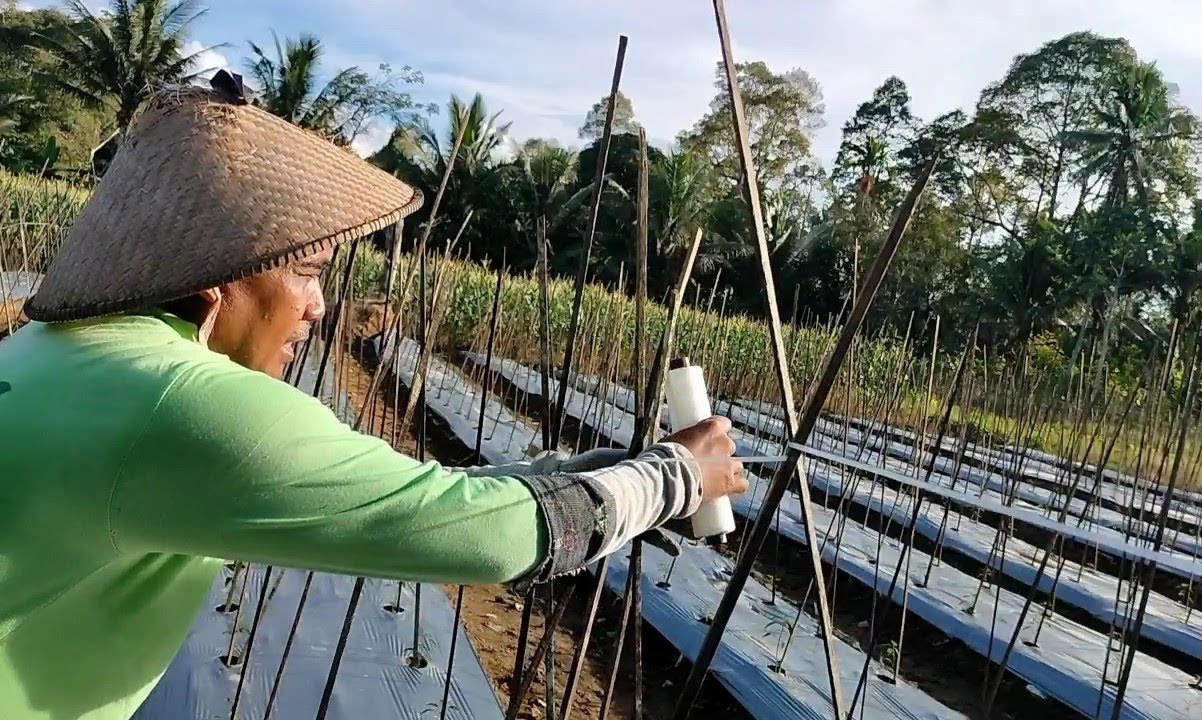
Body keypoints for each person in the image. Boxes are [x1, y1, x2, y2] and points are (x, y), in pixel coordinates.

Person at [0, 71, 747, 720]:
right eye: (310, 272)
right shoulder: (188, 403)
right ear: (220, 276)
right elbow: (496, 539)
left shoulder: (51, 353)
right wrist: (675, 477)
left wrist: (591, 470)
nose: (318, 307)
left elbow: (420, 497)